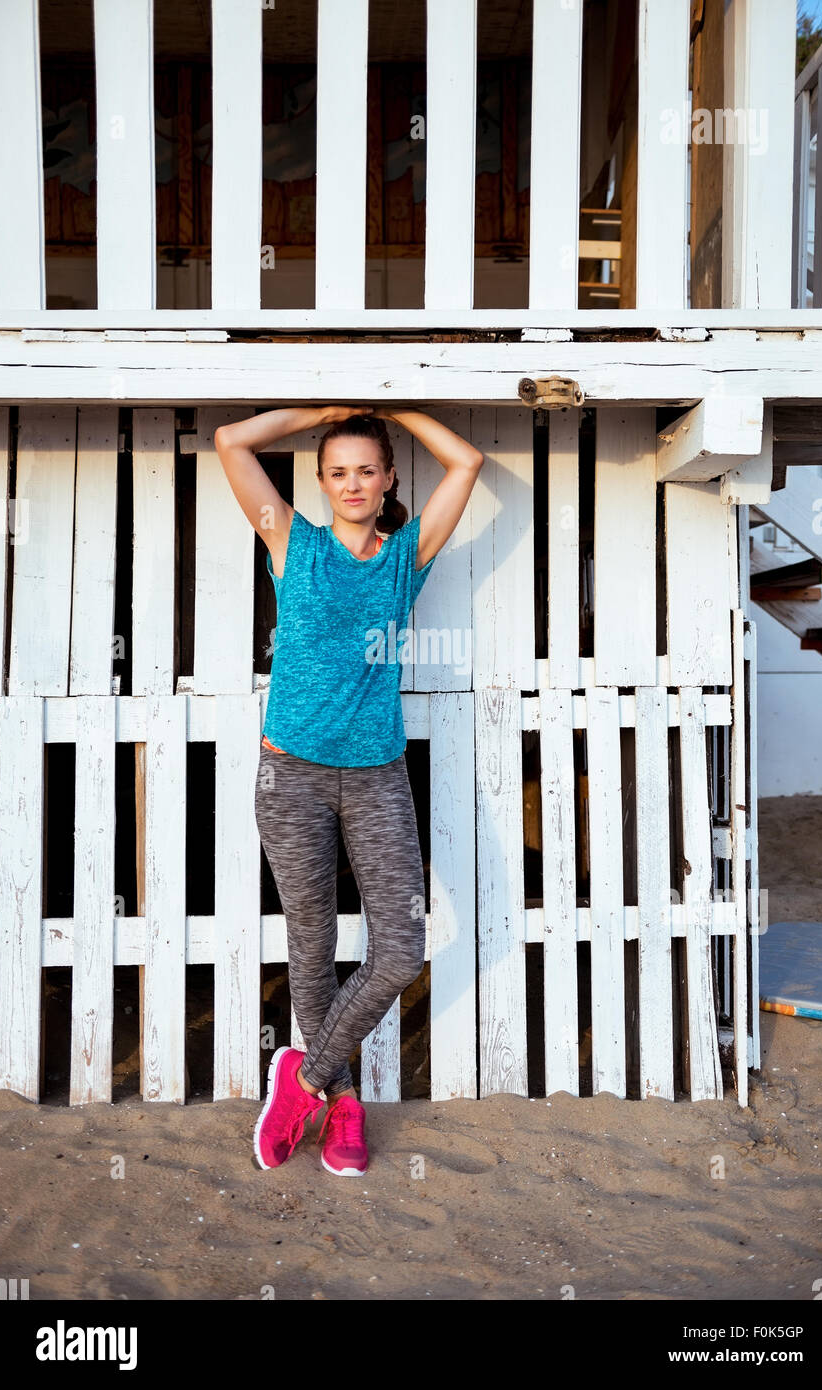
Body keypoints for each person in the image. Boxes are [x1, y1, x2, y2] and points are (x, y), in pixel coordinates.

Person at [214, 405, 484, 1175]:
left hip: (376, 772)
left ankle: (302, 1082)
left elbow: (464, 462)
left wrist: (396, 408)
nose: (353, 483)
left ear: (389, 478)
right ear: (322, 482)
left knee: (398, 948)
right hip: (290, 773)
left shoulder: (405, 557)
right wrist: (322, 413)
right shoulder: (289, 540)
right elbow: (231, 441)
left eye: (368, 468)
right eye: (337, 471)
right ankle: (341, 1110)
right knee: (313, 944)